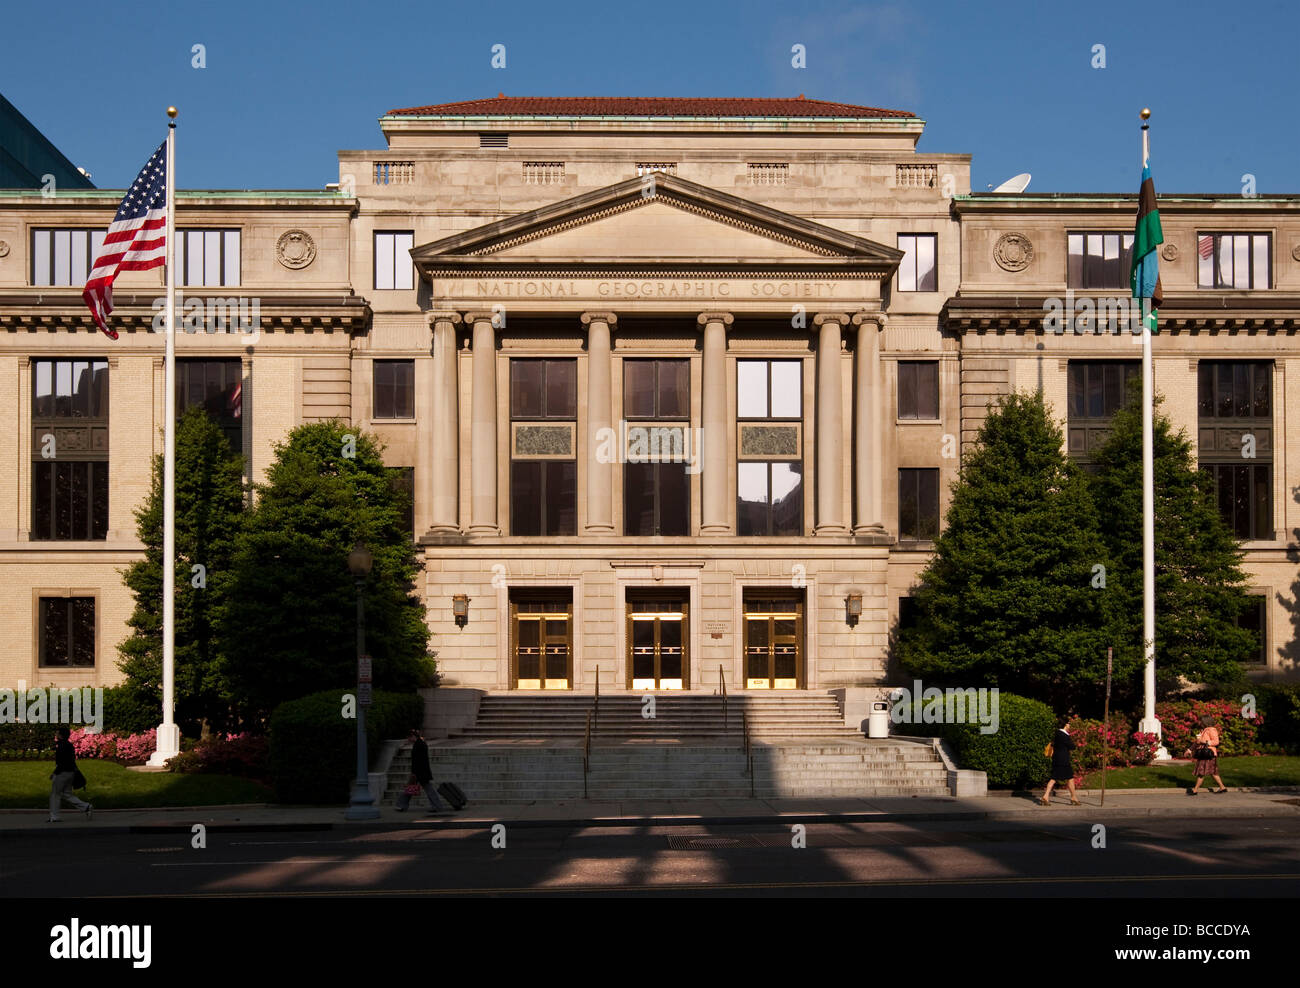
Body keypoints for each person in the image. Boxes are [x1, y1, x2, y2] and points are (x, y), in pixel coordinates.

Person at [395, 728, 448, 814]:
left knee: (416, 789)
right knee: (412, 789)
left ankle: (402, 805)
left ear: (412, 736)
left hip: (420, 772)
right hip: (421, 772)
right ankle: (402, 805)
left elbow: (417, 760)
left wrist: (414, 773)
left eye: (409, 737)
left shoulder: (418, 745)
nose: (408, 740)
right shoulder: (420, 743)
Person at [49, 726, 93, 823]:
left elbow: (61, 762)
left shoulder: (61, 746)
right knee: (67, 794)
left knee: (55, 794)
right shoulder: (69, 745)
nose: (55, 734)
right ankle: (86, 806)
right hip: (71, 773)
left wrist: (54, 773)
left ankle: (54, 816)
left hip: (62, 773)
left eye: (57, 733)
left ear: (60, 735)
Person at [1039, 719, 1081, 806]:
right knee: (1063, 778)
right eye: (1069, 723)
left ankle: (1073, 797)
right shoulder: (1064, 735)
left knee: (1060, 778)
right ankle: (1046, 796)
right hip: (1063, 761)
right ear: (1065, 724)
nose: (1070, 725)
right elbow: (1072, 746)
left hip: (1056, 759)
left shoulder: (1057, 734)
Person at [1188, 713, 1228, 795]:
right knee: (1212, 772)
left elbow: (1216, 742)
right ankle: (1222, 787)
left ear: (1205, 721)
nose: (1199, 723)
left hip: (1208, 754)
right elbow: (1197, 743)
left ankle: (1195, 790)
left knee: (1202, 772)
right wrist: (1189, 749)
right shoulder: (1203, 730)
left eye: (1200, 721)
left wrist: (1203, 742)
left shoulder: (1212, 730)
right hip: (1203, 754)